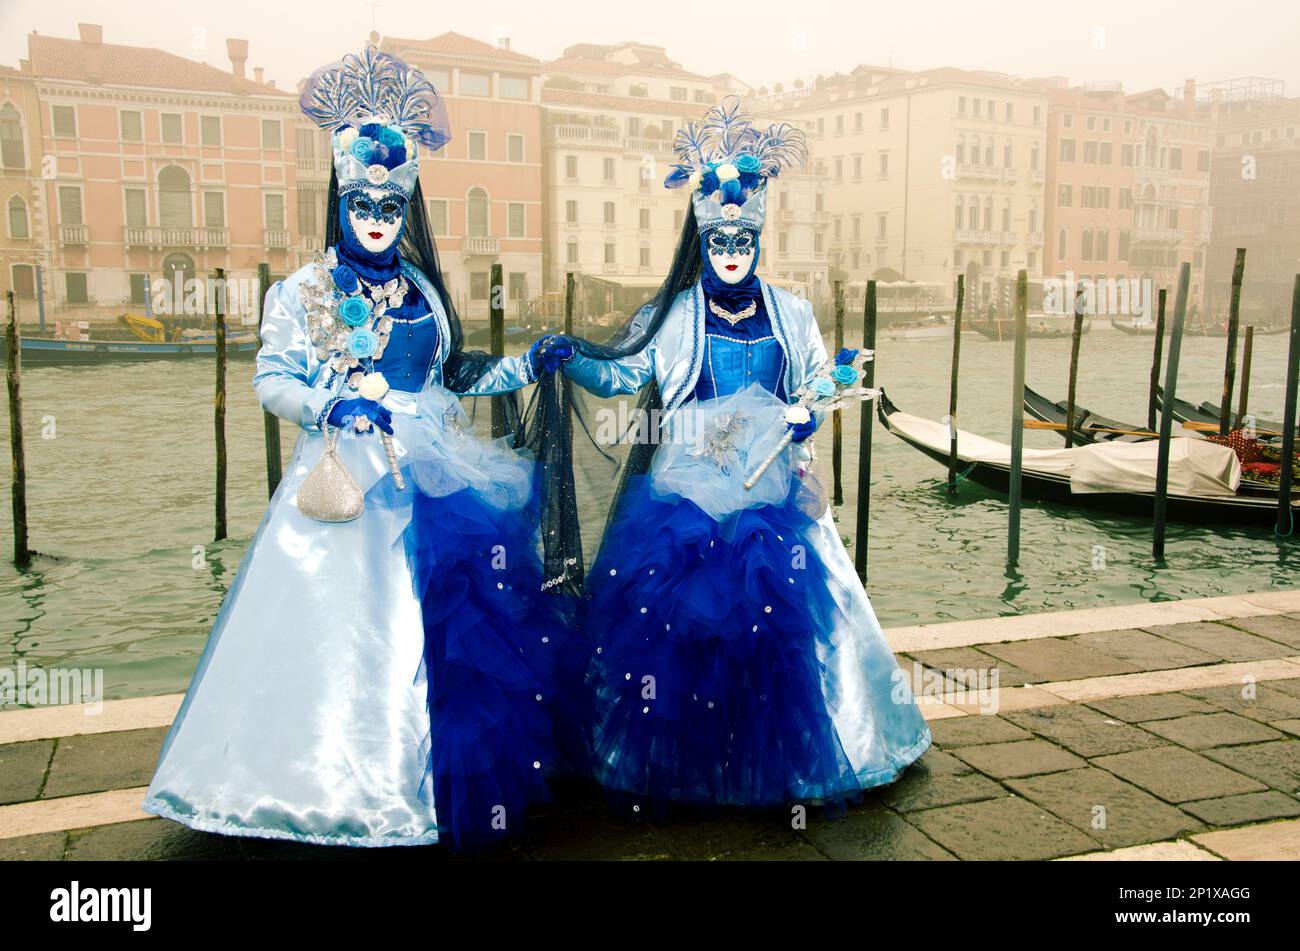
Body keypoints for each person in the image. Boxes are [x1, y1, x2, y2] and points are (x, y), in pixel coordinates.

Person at [143, 49, 569, 852]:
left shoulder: (425, 292)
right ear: (341, 198)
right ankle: (320, 786)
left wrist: (525, 365)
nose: (377, 216)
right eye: (363, 201)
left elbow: (459, 373)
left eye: (391, 204)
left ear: (407, 209)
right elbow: (272, 379)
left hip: (435, 472)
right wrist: (327, 400)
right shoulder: (300, 292)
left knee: (451, 628)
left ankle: (432, 781)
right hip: (343, 481)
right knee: (342, 639)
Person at [533, 97, 930, 817]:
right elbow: (624, 373)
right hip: (687, 491)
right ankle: (691, 762)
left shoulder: (793, 311)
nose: (730, 255)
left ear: (758, 240)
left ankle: (782, 761)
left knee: (776, 623)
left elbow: (814, 376)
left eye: (741, 243)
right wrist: (578, 360)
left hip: (772, 486)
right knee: (683, 629)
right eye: (719, 243)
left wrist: (813, 403)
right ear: (703, 241)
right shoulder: (674, 313)